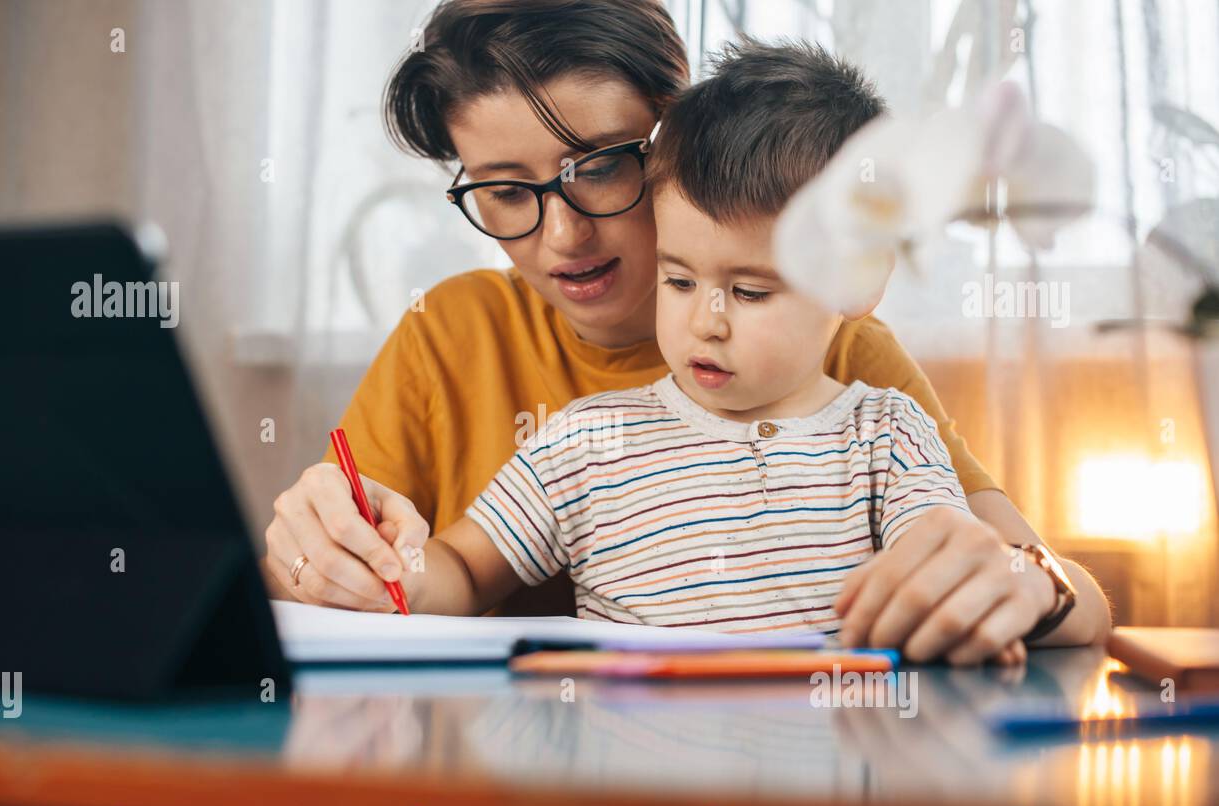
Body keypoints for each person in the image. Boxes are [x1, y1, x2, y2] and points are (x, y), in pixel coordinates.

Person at [264, 0, 1110, 664]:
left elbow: (1048, 584)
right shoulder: (453, 337)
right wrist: (329, 557)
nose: (562, 237)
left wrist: (1022, 585)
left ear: (674, 137)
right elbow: (395, 577)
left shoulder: (848, 363)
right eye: (505, 191)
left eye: (597, 166)